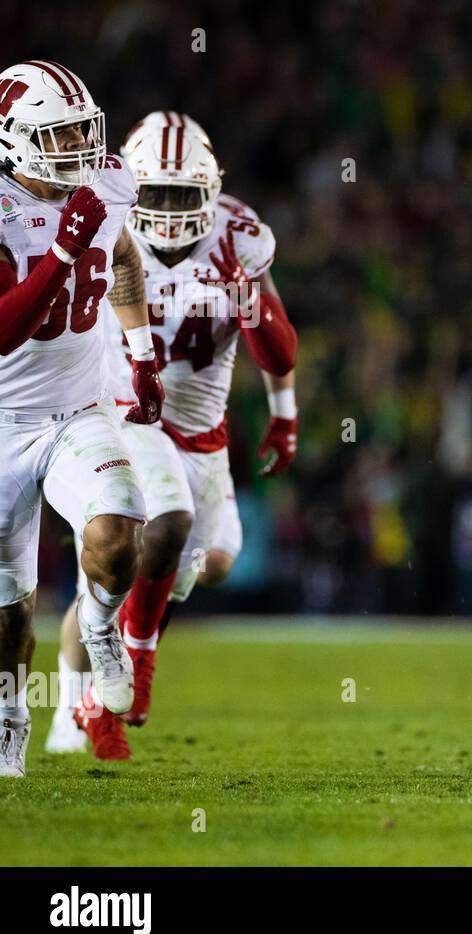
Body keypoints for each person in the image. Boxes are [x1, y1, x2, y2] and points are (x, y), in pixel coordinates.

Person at [45, 111, 298, 760]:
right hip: (122, 413)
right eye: (152, 191)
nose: (163, 208)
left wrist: (283, 407)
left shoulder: (239, 237)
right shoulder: (98, 220)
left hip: (202, 429)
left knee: (208, 566)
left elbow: (279, 345)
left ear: (211, 189)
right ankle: (101, 690)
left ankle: (98, 674)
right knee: (163, 526)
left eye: (181, 194)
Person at [0, 60, 165, 777]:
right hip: (3, 420)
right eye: (57, 132)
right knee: (10, 619)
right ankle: (10, 721)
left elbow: (123, 255)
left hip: (79, 409)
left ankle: (99, 628)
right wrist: (63, 246)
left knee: (121, 532)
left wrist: (140, 349)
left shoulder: (104, 184)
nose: (76, 144)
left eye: (80, 127)